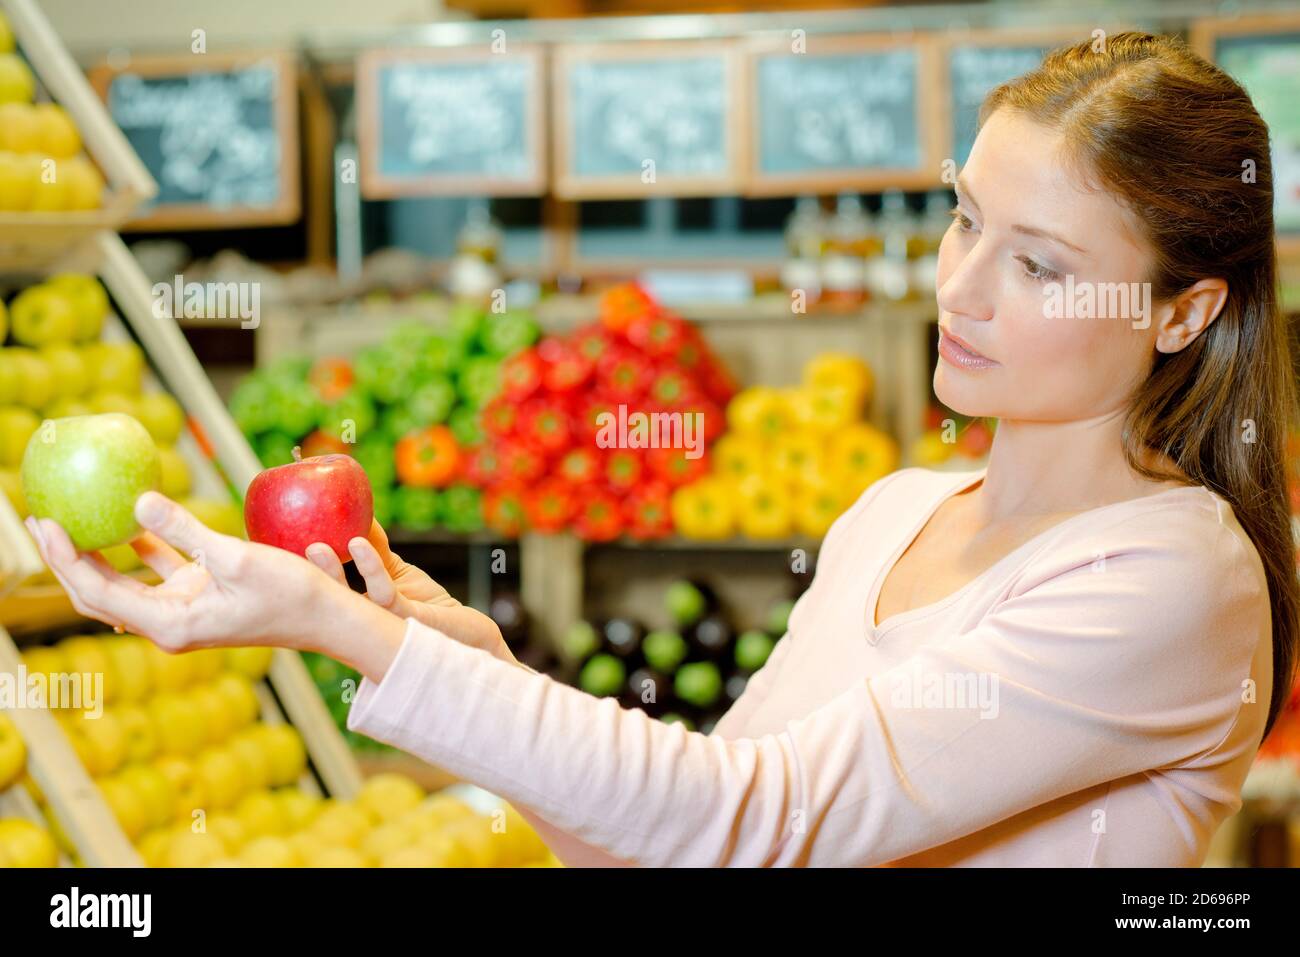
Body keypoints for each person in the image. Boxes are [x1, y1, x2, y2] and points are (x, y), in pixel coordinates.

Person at [24, 31, 1298, 866]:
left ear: (1181, 311)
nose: (958, 286)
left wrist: (351, 634)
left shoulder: (1169, 577)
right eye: (962, 217)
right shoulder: (890, 512)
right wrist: (470, 661)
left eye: (1037, 263)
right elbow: (668, 838)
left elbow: (751, 826)